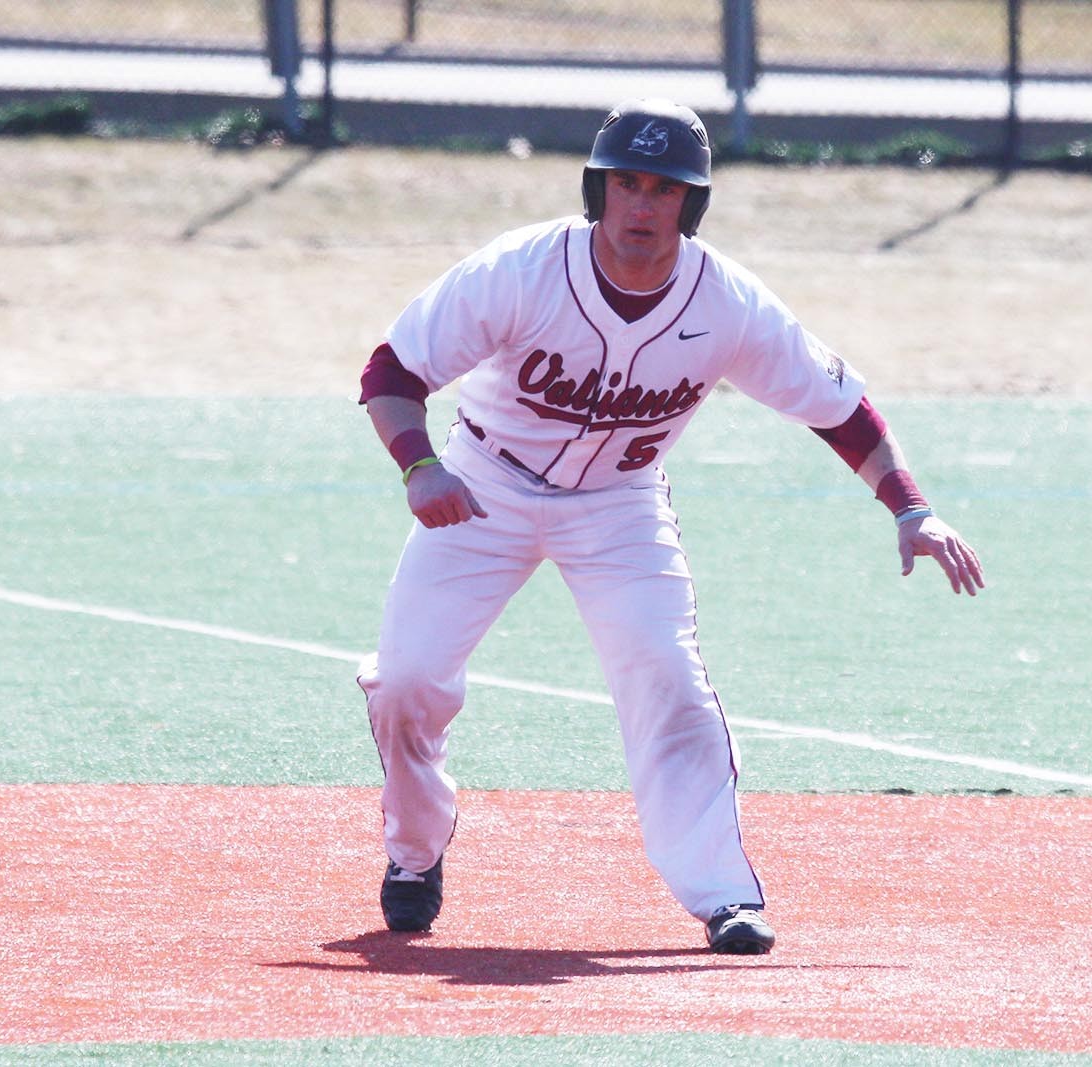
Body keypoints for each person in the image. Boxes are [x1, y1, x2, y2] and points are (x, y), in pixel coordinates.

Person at [355, 98, 984, 954]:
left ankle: (724, 894)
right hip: (482, 483)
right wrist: (419, 465)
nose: (643, 205)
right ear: (598, 190)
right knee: (405, 681)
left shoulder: (724, 300)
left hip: (618, 503)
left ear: (693, 203)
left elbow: (838, 406)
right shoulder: (521, 270)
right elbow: (392, 370)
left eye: (665, 189)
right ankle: (414, 852)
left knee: (667, 674)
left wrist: (910, 506)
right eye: (627, 183)